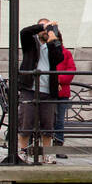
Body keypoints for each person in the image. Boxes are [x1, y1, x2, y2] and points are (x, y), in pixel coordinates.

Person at [19, 19, 64, 159]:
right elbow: (24, 32)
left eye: (49, 27)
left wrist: (52, 38)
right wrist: (42, 26)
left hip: (48, 90)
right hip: (30, 88)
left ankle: (46, 154)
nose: (46, 30)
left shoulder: (53, 44)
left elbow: (59, 58)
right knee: (26, 121)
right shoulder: (31, 43)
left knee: (48, 124)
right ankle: (23, 151)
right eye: (44, 27)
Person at [51, 31, 76, 147]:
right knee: (46, 120)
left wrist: (57, 80)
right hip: (48, 90)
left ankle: (58, 145)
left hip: (62, 92)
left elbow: (71, 71)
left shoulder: (66, 53)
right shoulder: (45, 53)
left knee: (59, 121)